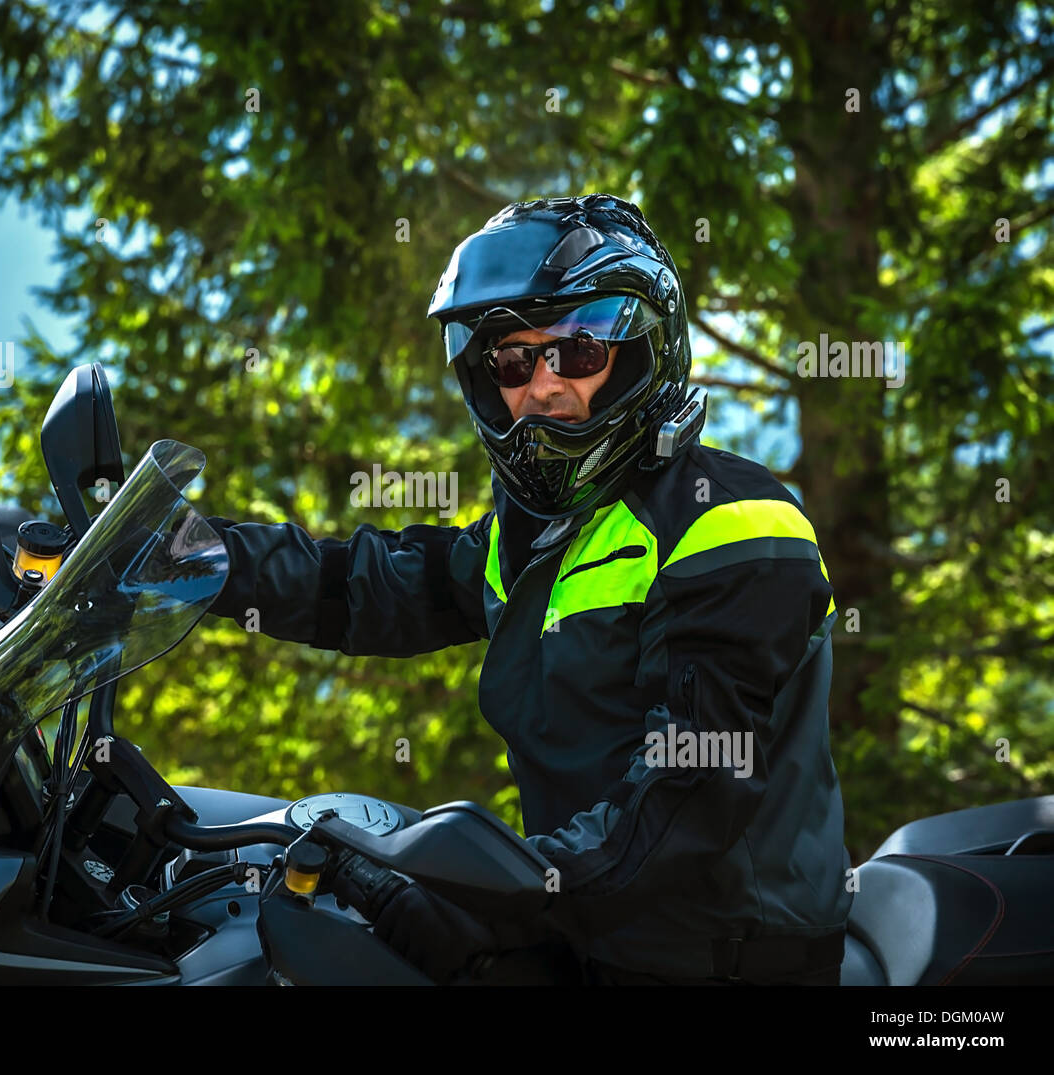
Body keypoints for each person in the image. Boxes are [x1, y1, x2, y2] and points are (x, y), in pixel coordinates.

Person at [204, 193, 852, 985]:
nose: (541, 387)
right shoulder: (529, 541)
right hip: (589, 935)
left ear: (644, 354)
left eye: (578, 350)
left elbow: (688, 794)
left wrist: (490, 896)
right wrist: (187, 557)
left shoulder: (732, 522)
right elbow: (356, 586)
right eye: (512, 360)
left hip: (726, 964)